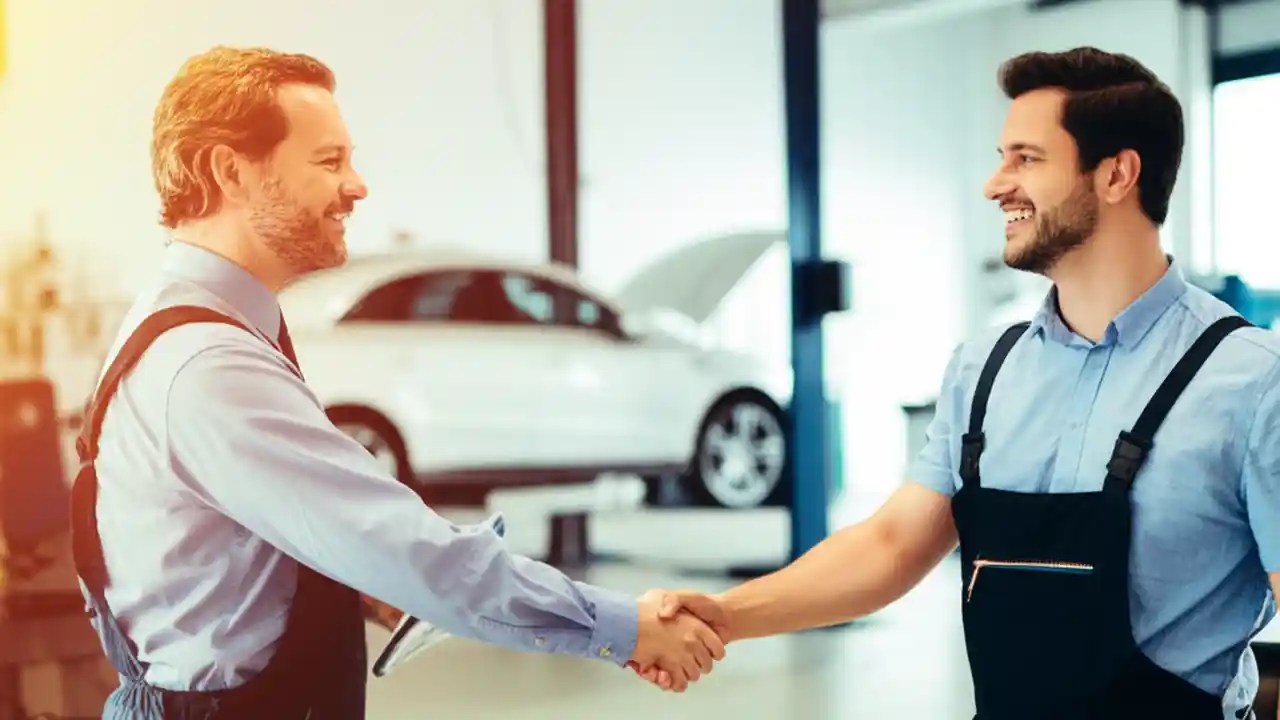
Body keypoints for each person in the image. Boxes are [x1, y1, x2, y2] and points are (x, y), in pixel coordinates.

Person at [71, 46, 724, 719]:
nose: (357, 186)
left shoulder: (184, 320)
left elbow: (214, 552)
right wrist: (625, 628)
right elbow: (418, 556)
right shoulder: (210, 363)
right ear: (229, 171)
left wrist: (344, 577)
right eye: (329, 161)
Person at [638, 47, 1280, 719]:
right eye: (1003, 157)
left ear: (1117, 174)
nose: (995, 185)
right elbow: (891, 547)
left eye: (1026, 159)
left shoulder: (1252, 383)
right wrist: (725, 615)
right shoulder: (984, 371)